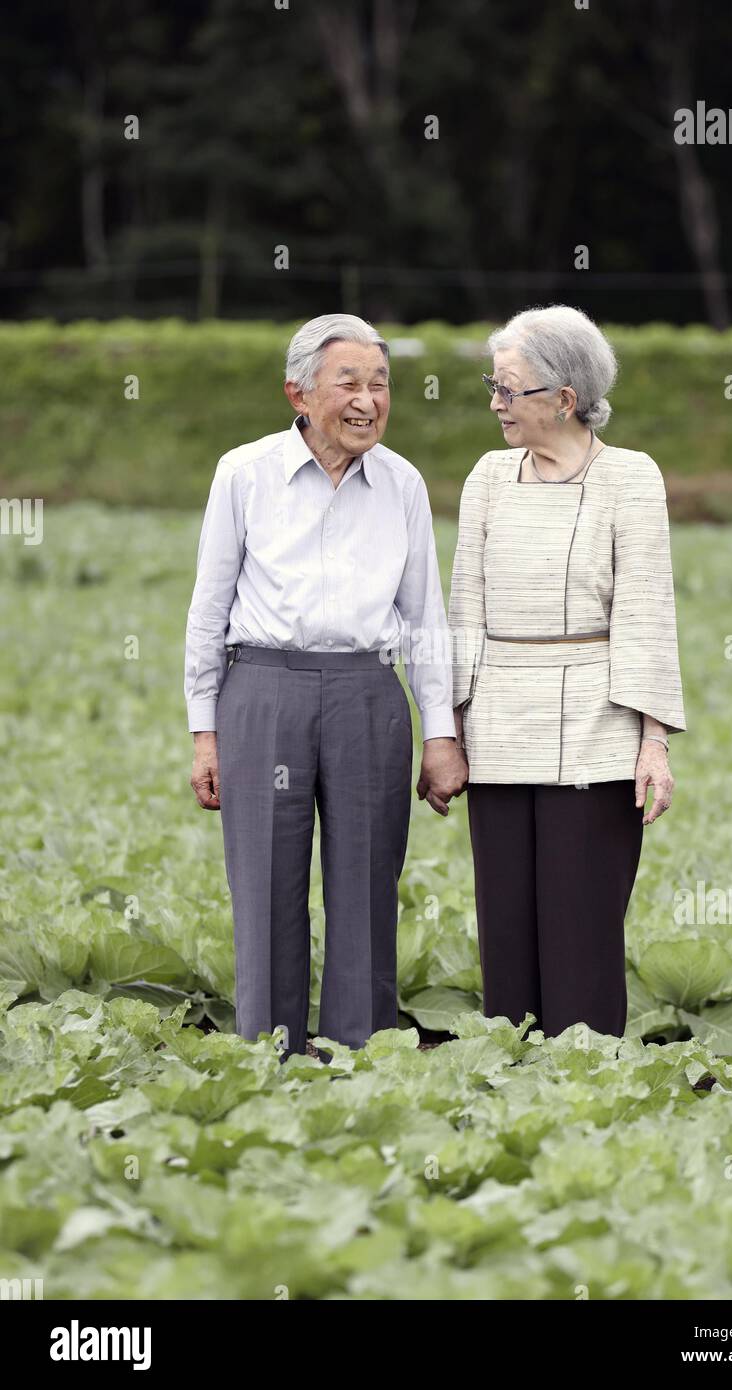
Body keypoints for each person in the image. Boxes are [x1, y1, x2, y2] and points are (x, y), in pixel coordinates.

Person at [185, 314, 467, 1059]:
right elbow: (208, 609)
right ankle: (268, 1055)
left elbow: (424, 615)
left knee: (368, 886)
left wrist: (440, 733)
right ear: (299, 393)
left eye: (380, 384)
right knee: (267, 888)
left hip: (368, 698)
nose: (368, 400)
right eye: (349, 382)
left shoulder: (402, 483)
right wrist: (203, 729)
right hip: (264, 693)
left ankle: (359, 1053)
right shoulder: (243, 473)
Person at [448, 304, 687, 1040]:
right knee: (508, 934)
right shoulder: (488, 477)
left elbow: (646, 611)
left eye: (508, 390)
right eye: (493, 386)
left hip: (596, 728)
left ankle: (586, 1091)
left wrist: (653, 743)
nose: (495, 404)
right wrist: (445, 733)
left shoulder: (631, 478)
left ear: (564, 399)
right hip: (497, 730)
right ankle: (511, 1084)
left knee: (582, 931)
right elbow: (462, 612)